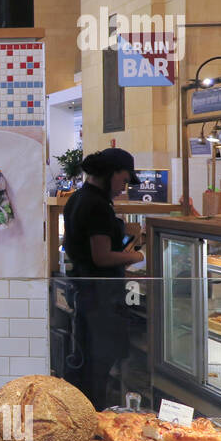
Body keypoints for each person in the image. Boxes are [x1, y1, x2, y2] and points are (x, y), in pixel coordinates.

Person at [61, 148, 144, 409]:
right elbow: (102, 256)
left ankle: (83, 417)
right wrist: (137, 256)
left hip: (85, 293)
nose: (124, 186)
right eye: (124, 179)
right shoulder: (96, 205)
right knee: (99, 366)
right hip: (100, 297)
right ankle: (95, 419)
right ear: (111, 174)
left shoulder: (78, 198)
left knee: (87, 364)